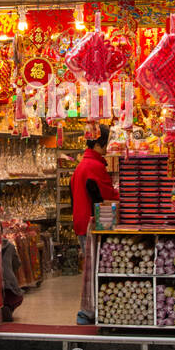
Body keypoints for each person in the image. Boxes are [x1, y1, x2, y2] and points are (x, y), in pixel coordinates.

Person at [70, 125, 118, 325]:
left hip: (81, 221)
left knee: (91, 266)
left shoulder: (83, 164)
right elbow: (107, 196)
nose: (107, 148)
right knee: (95, 267)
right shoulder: (94, 167)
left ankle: (92, 310)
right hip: (92, 224)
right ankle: (90, 311)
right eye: (105, 144)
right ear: (98, 144)